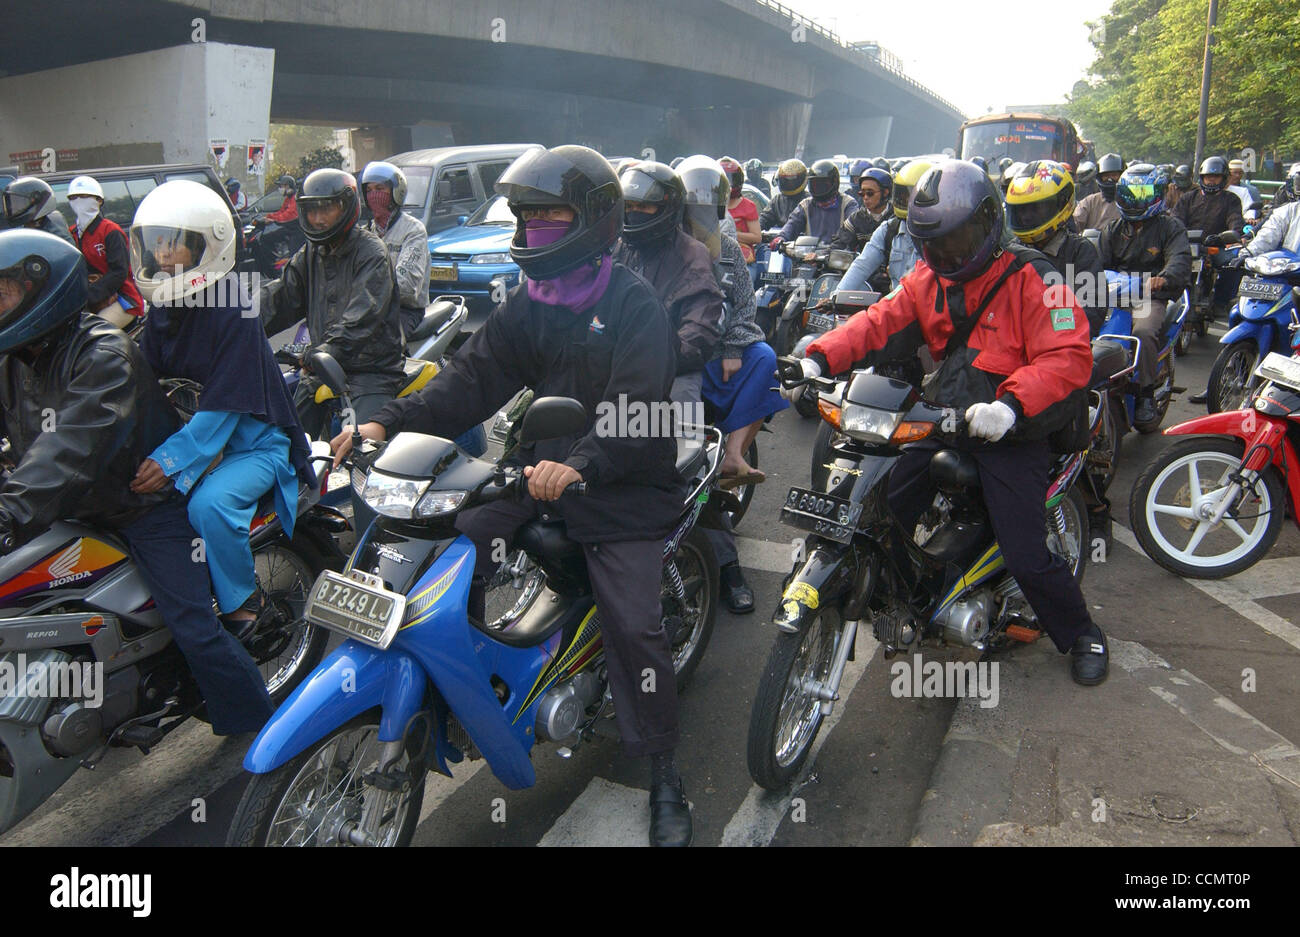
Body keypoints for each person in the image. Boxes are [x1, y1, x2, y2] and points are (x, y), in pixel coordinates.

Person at [329, 145, 695, 846]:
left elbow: (635, 405)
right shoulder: (535, 301)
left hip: (622, 485)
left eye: (547, 215)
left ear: (593, 219)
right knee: (453, 545)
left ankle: (663, 769)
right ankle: (469, 690)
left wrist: (583, 461)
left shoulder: (633, 304)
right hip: (534, 471)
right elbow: (471, 377)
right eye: (524, 216)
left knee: (633, 624)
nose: (531, 230)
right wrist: (388, 420)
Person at [800, 159, 1107, 686]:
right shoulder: (927, 276)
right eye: (934, 244)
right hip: (943, 415)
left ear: (989, 224)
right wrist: (818, 357)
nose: (947, 255)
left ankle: (1082, 633)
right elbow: (879, 320)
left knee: (1027, 552)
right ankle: (906, 593)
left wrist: (1009, 405)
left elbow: (1070, 356)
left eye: (958, 240)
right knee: (884, 502)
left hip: (1015, 427)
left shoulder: (1041, 277)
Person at [0, 229, 274, 733]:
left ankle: (264, 733)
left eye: (3, 291)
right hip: (69, 509)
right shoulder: (15, 362)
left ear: (43, 290)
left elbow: (67, 448)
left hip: (143, 508)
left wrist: (9, 511)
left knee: (195, 627)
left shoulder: (103, 355)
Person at [128, 180, 313, 633]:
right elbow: (141, 381)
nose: (164, 254)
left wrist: (169, 459)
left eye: (175, 243)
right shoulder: (163, 309)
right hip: (199, 440)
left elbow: (225, 406)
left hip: (254, 446)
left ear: (206, 246)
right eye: (156, 244)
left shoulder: (234, 309)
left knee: (207, 507)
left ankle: (243, 606)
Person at [679, 156, 786, 613]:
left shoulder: (725, 250)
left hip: (698, 363)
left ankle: (725, 566)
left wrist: (730, 347)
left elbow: (742, 308)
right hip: (665, 363)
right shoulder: (650, 248)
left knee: (684, 468)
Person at [258, 168, 405, 439]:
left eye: (327, 209)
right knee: (282, 443)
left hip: (369, 372)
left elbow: (362, 317)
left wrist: (325, 350)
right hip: (321, 369)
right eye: (312, 211)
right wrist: (235, 322)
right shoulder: (312, 252)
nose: (318, 218)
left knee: (360, 451)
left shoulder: (371, 253)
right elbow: (278, 297)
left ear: (347, 207)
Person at [612, 160, 724, 406]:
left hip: (672, 366)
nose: (634, 212)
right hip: (613, 360)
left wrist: (655, 357)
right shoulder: (618, 248)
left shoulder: (692, 254)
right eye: (629, 206)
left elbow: (699, 329)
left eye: (644, 206)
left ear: (667, 207)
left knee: (681, 426)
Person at [1096, 164, 1190, 424]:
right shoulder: (1112, 229)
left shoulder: (1171, 228)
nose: (1136, 200)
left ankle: (1145, 392)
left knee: (1143, 333)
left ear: (1157, 194)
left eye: (1143, 193)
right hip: (1113, 296)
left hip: (1150, 297)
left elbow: (1179, 261)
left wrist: (1163, 278)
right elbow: (1096, 264)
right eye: (1130, 194)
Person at [1006, 161, 1107, 336]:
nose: (1027, 217)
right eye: (1022, 210)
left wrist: (1042, 323)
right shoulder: (1010, 253)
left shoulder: (1080, 251)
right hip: (1012, 342)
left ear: (1061, 204)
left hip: (1060, 344)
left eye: (1036, 208)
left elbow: (1090, 312)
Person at [837, 158, 934, 294]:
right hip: (894, 306)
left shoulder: (943, 234)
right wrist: (836, 296)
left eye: (911, 194)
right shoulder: (889, 229)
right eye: (902, 194)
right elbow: (862, 265)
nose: (906, 200)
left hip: (930, 309)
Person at [360, 160, 430, 340]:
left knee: (385, 347)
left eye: (380, 189)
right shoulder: (366, 233)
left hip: (404, 310)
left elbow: (406, 285)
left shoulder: (413, 230)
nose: (374, 195)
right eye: (369, 190)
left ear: (396, 192)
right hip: (369, 308)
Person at [65, 175, 145, 329]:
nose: (79, 201)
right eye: (73, 197)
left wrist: (89, 295)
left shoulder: (110, 230)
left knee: (93, 332)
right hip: (86, 300)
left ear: (99, 200)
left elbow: (119, 272)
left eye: (84, 196)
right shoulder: (71, 233)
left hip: (123, 298)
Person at [771, 160, 857, 248]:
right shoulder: (805, 205)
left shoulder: (848, 203)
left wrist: (838, 244)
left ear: (834, 183)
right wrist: (781, 237)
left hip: (840, 256)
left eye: (823, 184)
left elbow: (851, 228)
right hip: (809, 257)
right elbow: (792, 224)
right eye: (815, 184)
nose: (819, 187)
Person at [831, 165, 891, 252]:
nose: (865, 197)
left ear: (885, 192)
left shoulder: (897, 218)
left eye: (870, 193)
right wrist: (823, 255)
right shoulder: (855, 219)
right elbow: (839, 244)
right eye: (862, 193)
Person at [1, 176, 75, 245]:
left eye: (18, 202)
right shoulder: (32, 226)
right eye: (12, 202)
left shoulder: (53, 229)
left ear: (36, 199)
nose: (13, 207)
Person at [720, 157, 761, 263]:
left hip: (743, 257)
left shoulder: (748, 206)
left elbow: (757, 237)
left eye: (732, 179)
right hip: (715, 256)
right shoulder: (710, 206)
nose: (728, 184)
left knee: (747, 278)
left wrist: (728, 235)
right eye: (725, 180)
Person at [1073, 152, 1124, 232]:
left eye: (1114, 175)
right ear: (1100, 177)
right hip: (1093, 244)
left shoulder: (1130, 201)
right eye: (1106, 176)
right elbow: (1076, 223)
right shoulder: (1089, 202)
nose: (1110, 179)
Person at [759, 158, 808, 230]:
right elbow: (764, 218)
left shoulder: (809, 201)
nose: (789, 184)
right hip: (779, 239)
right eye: (785, 180)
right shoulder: (777, 200)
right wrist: (757, 228)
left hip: (803, 240)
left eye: (792, 181)